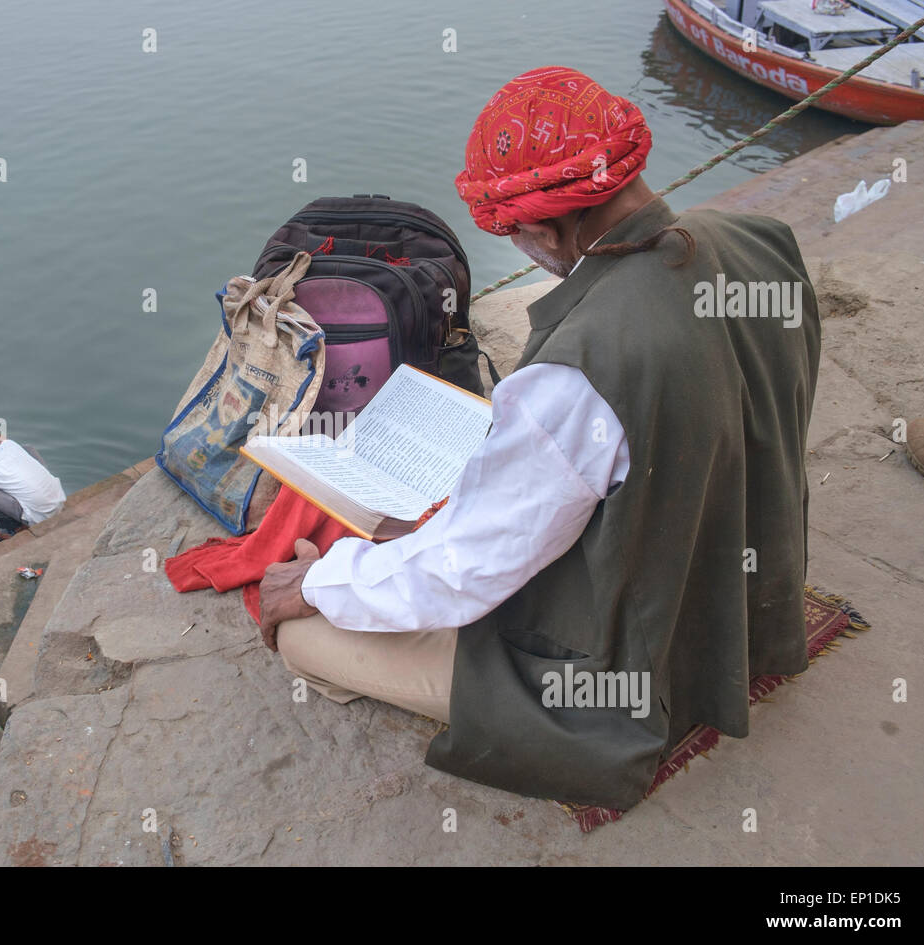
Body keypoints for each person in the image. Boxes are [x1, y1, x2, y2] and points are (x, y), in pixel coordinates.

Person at [257, 66, 822, 810]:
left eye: (517, 234)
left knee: (306, 640)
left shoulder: (581, 370)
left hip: (630, 665)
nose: (523, 251)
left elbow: (466, 572)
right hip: (747, 595)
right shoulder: (759, 244)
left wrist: (321, 582)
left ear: (548, 225)